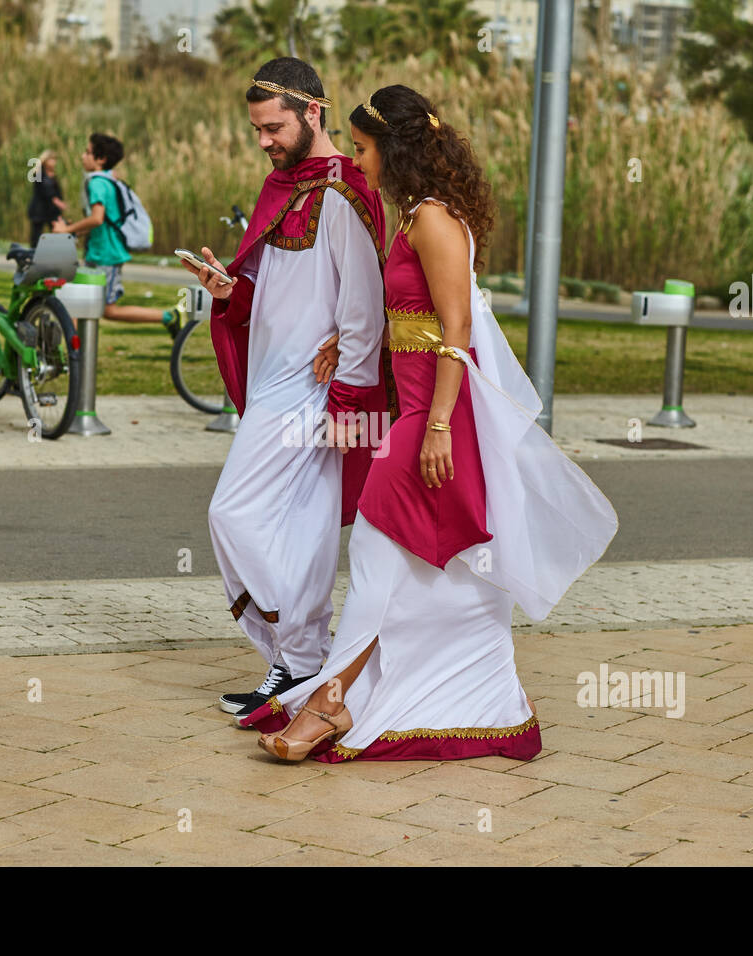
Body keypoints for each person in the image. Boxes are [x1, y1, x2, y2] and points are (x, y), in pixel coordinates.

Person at [242, 85, 619, 762]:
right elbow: (412, 323)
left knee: (379, 555)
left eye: (361, 149)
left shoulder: (436, 220)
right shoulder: (416, 215)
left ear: (392, 149)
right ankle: (487, 693)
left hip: (435, 416)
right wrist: (355, 347)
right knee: (434, 573)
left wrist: (440, 424)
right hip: (418, 407)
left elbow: (457, 328)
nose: (358, 162)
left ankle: (332, 703)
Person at [182, 58, 390, 723]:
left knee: (231, 514)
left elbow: (362, 308)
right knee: (301, 534)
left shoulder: (342, 194)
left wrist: (350, 408)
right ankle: (300, 665)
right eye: (258, 130)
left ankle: (307, 652)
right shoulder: (288, 186)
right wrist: (230, 292)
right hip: (281, 387)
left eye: (273, 128)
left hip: (315, 396)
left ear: (313, 113)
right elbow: (282, 297)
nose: (265, 141)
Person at [53, 133, 181, 336]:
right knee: (79, 304)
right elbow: (101, 222)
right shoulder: (106, 180)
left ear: (100, 159)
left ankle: (168, 317)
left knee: (105, 310)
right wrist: (75, 229)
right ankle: (73, 356)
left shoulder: (97, 183)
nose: (82, 156)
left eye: (87, 152)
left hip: (107, 256)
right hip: (100, 253)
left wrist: (66, 230)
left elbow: (97, 218)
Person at [27, 149, 67, 249]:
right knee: (36, 234)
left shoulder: (53, 175)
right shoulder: (39, 173)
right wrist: (57, 201)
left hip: (51, 210)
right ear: (45, 161)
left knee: (56, 230)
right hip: (39, 209)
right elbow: (45, 190)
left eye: (54, 160)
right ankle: (34, 253)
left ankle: (54, 251)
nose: (53, 162)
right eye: (51, 159)